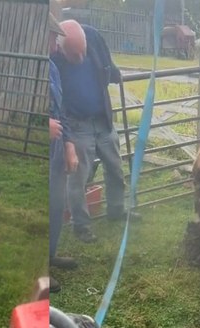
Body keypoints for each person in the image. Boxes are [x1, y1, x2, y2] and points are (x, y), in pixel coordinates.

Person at [52, 20, 136, 245]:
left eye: (83, 52)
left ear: (86, 40)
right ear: (61, 47)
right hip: (77, 124)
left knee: (115, 168)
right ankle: (81, 225)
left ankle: (117, 210)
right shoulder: (54, 58)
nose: (80, 58)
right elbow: (56, 101)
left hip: (102, 119)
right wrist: (67, 136)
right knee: (77, 178)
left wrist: (116, 74)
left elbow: (107, 64)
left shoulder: (94, 37)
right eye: (74, 55)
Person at [48, 13, 79, 294]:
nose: (56, 46)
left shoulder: (52, 69)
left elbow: (62, 109)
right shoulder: (28, 68)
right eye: (51, 38)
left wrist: (69, 144)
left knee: (56, 204)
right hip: (37, 151)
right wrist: (41, 123)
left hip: (56, 149)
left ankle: (50, 254)